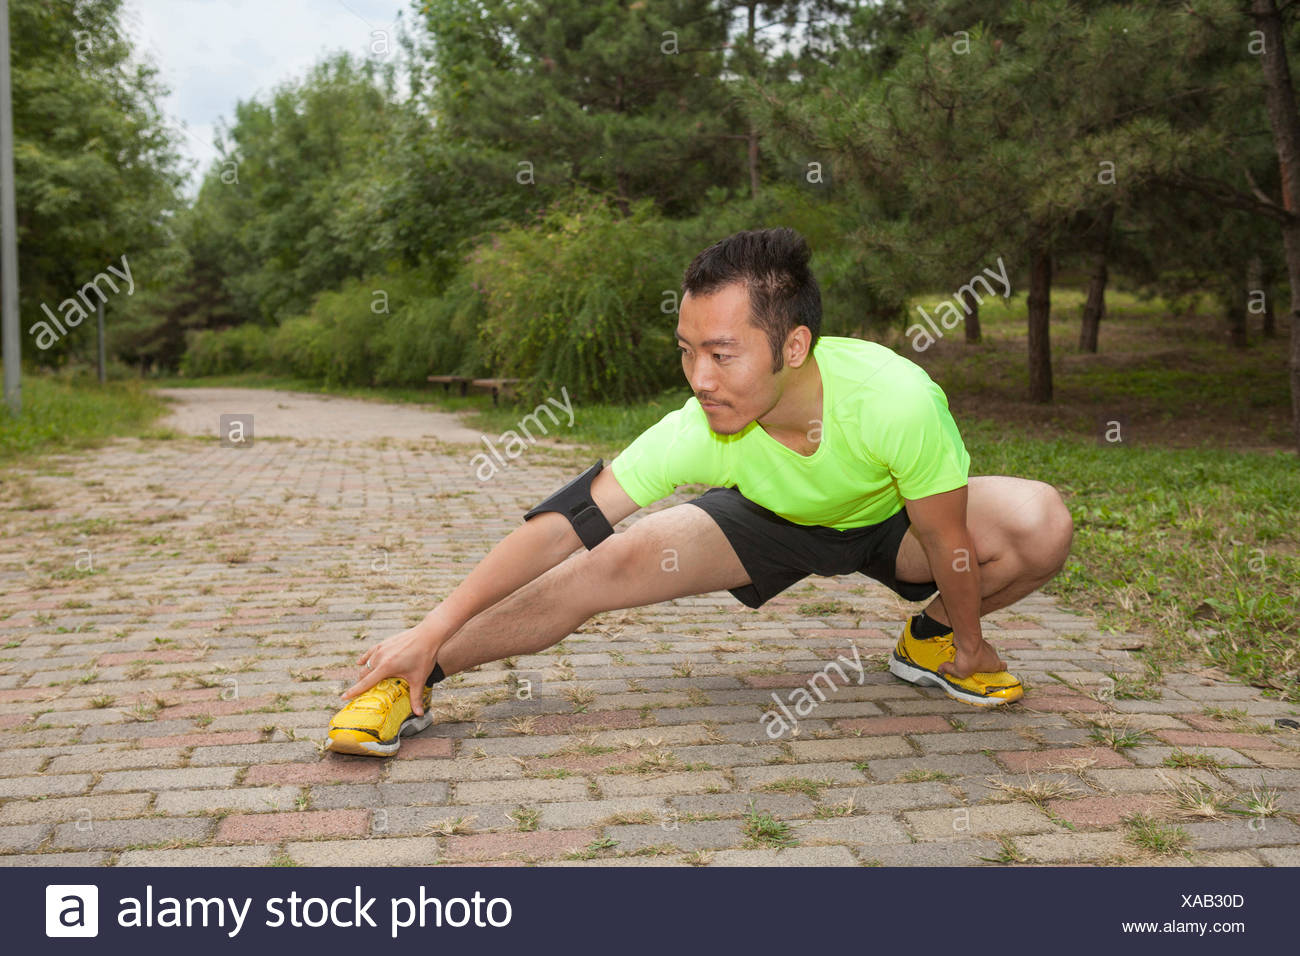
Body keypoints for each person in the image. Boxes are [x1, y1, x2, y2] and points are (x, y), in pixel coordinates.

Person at [325, 227, 1074, 756]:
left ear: (793, 345)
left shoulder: (896, 400)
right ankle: (418, 675)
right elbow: (564, 527)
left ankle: (933, 637)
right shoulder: (703, 423)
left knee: (1040, 522)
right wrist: (429, 628)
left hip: (891, 522)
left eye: (721, 354)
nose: (701, 379)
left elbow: (947, 539)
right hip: (765, 521)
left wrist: (972, 646)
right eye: (688, 352)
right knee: (600, 567)